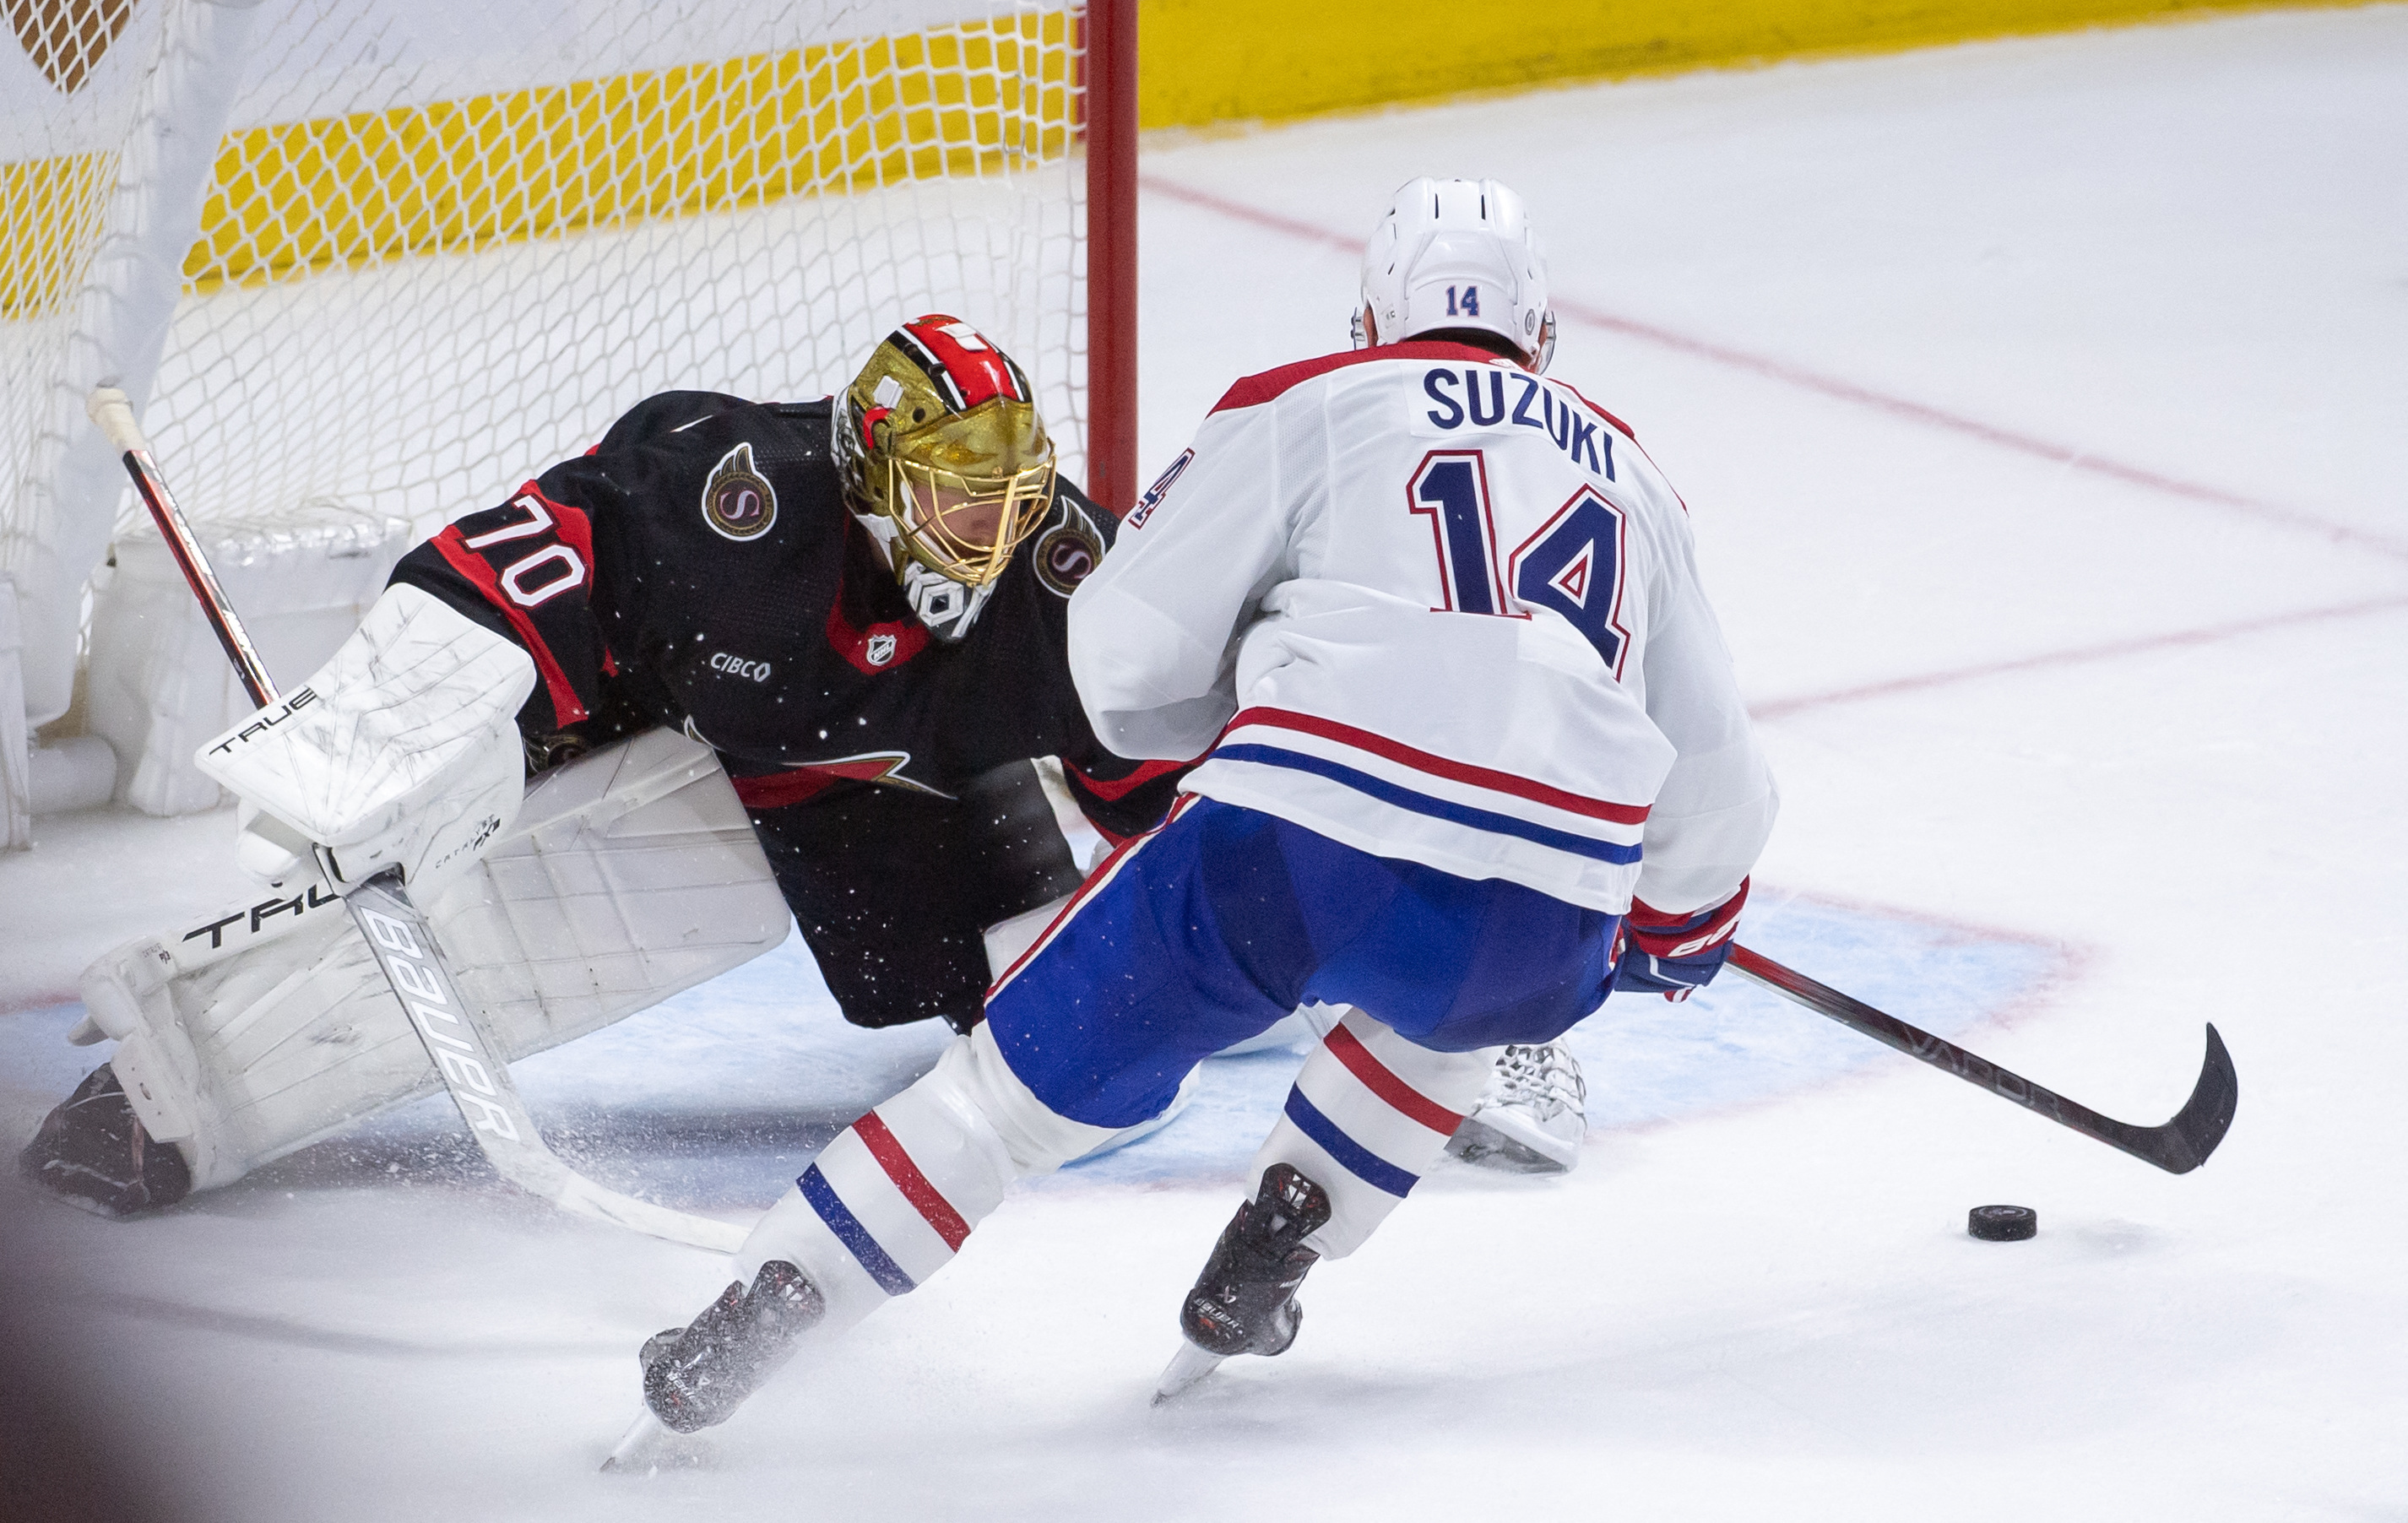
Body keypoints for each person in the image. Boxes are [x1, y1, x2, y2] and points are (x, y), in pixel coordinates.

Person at [622, 178, 1779, 1438]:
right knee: (1451, 1002)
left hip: (1290, 854)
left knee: (995, 1106)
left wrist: (1246, 738)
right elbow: (1720, 788)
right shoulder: (1645, 484)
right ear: (1543, 338)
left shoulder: (1306, 403)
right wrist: (1673, 934)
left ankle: (763, 1314)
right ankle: (1289, 1226)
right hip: (1549, 920)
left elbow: (1117, 661)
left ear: (1370, 321)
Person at [19, 316, 1185, 1216]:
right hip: (648, 697)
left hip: (869, 779)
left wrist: (1276, 905)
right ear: (873, 467)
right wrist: (397, 725)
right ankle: (176, 1092)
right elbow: (512, 558)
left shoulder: (1062, 574)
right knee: (529, 887)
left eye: (1009, 491)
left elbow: (1172, 784)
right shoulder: (741, 502)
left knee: (1055, 1006)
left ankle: (1037, 864)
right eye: (955, 491)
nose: (992, 522)